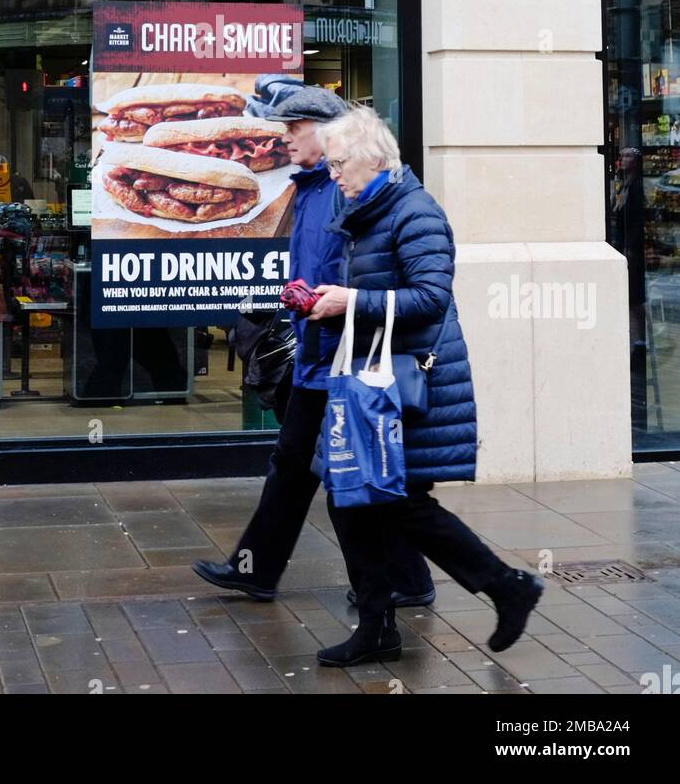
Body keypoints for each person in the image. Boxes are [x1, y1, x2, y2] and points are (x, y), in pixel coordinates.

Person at [308, 106, 543, 667]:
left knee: (398, 504)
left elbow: (430, 297)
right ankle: (381, 624)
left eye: (339, 163)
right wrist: (328, 304)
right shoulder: (367, 211)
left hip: (405, 387)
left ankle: (505, 586)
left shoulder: (415, 212)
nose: (333, 174)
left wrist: (351, 301)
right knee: (354, 498)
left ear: (372, 157)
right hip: (373, 381)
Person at [192, 85, 433, 605]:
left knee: (347, 472)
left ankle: (404, 582)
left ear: (326, 135)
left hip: (339, 355)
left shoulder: (340, 189)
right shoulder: (308, 187)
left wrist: (323, 309)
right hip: (317, 351)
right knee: (296, 464)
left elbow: (354, 273)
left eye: (293, 130)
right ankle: (257, 570)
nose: (284, 140)